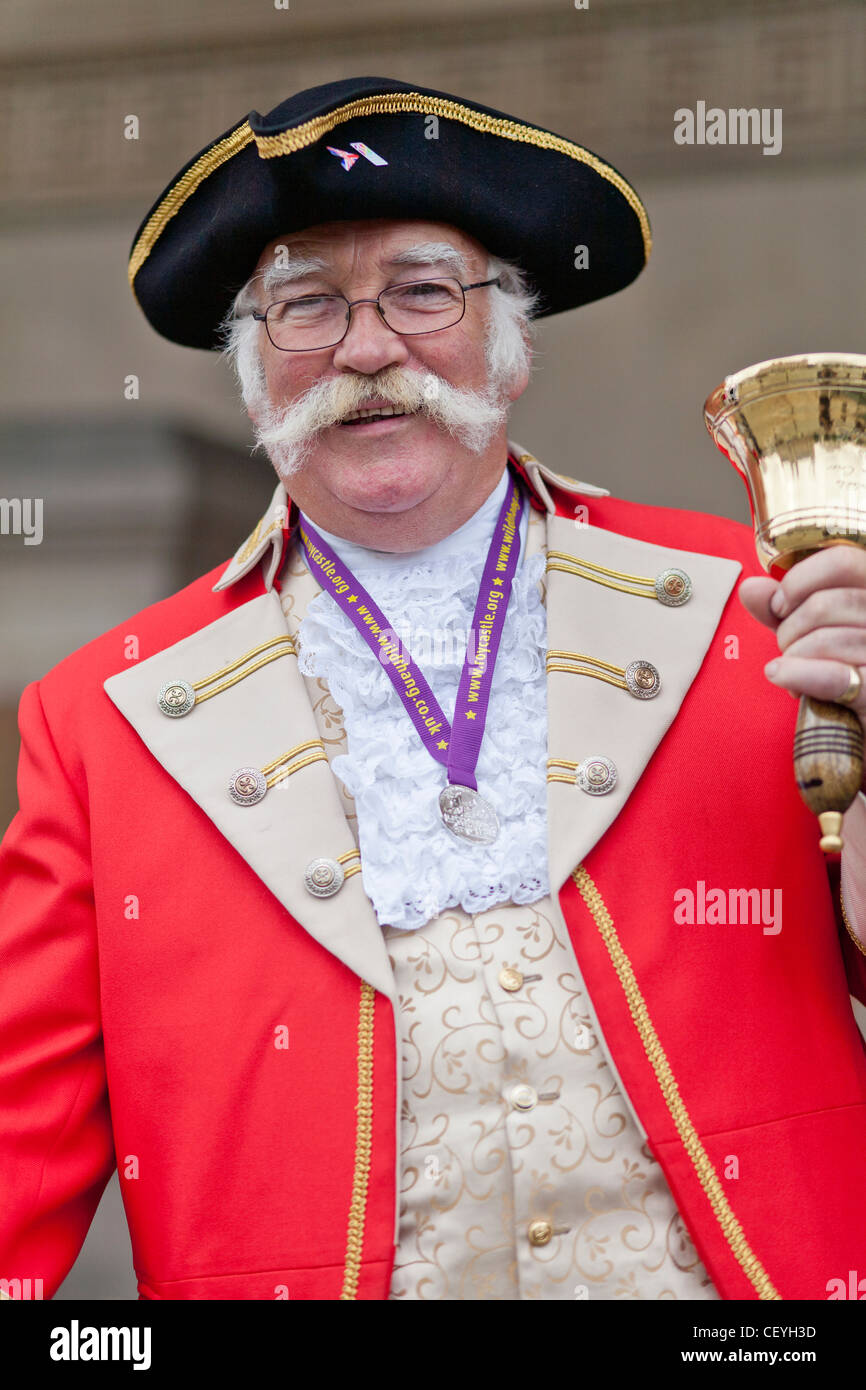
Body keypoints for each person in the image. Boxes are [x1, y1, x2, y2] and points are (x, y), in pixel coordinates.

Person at [2, 75, 866, 1303]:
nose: (366, 347)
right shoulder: (105, 720)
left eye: (420, 289)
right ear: (256, 374)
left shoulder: (755, 602)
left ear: (508, 343)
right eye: (304, 304)